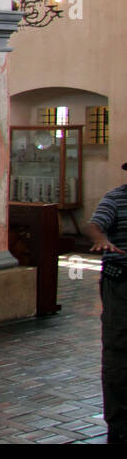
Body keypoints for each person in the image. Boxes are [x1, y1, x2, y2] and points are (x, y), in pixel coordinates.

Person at [88, 163, 127, 444]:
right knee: (118, 350)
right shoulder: (114, 198)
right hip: (121, 284)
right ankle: (120, 424)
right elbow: (94, 225)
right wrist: (101, 240)